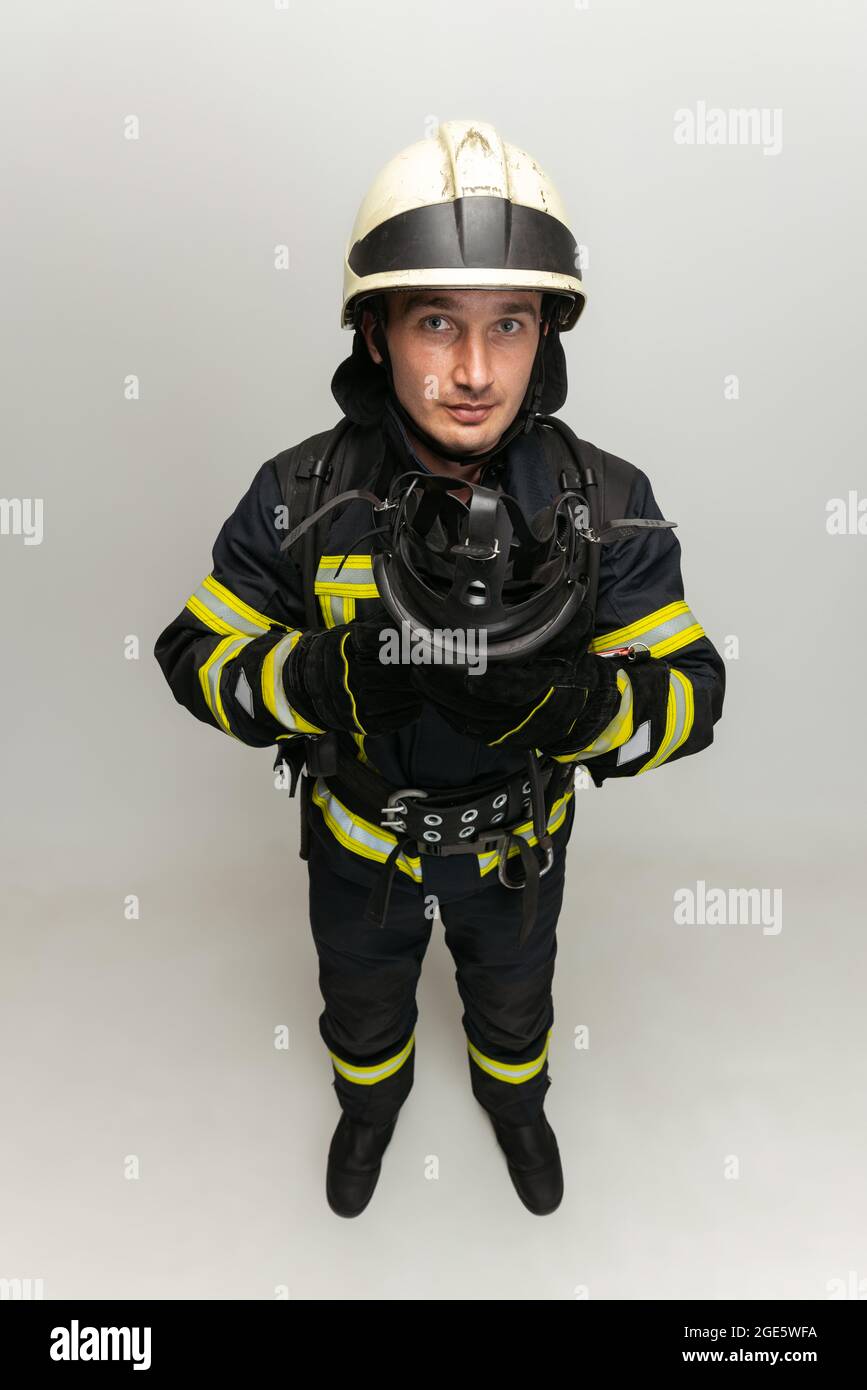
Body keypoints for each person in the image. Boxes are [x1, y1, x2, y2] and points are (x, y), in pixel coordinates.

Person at [154, 119, 725, 1219]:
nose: (473, 372)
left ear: (547, 335)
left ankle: (516, 1106)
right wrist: (319, 684)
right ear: (375, 334)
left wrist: (578, 704)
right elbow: (196, 656)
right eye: (435, 324)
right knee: (361, 1001)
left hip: (515, 850)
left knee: (514, 999)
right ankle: (370, 1109)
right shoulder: (300, 494)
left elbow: (693, 697)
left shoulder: (607, 505)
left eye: (507, 324)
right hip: (356, 847)